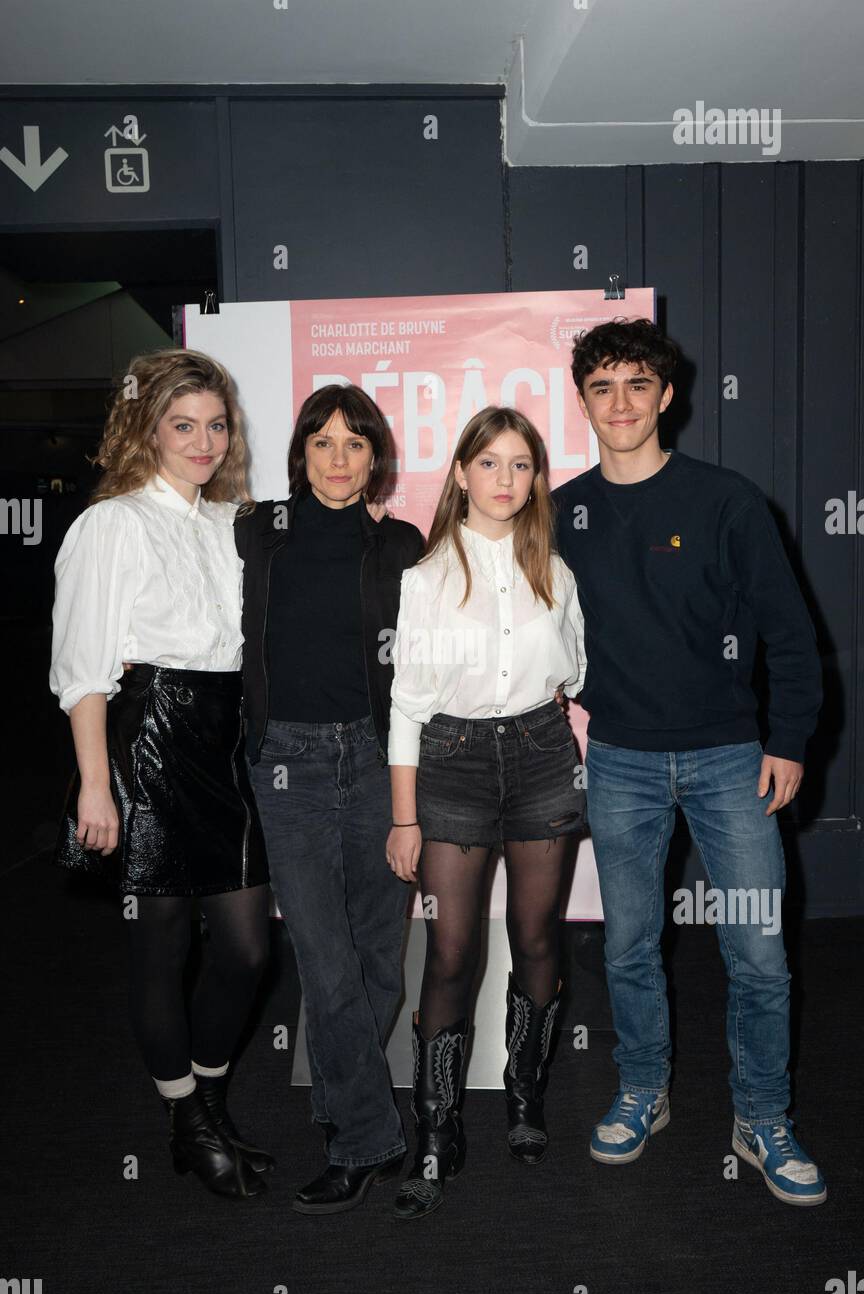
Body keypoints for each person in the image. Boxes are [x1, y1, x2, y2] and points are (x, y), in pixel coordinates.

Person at [553, 317, 826, 1206]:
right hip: (622, 764)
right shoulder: (562, 513)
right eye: (603, 387)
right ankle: (643, 1091)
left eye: (638, 385)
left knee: (757, 950)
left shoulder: (728, 502)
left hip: (731, 764)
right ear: (583, 401)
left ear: (667, 396)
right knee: (629, 946)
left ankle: (763, 1115)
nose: (621, 403)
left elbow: (790, 634)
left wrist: (788, 739)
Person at [50, 348, 273, 1200]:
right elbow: (84, 671)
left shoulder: (230, 522)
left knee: (249, 948)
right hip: (144, 741)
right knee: (161, 947)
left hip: (224, 744)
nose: (204, 441)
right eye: (184, 425)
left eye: (216, 425)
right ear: (147, 427)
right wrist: (96, 786)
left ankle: (207, 1102)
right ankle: (184, 1120)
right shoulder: (110, 525)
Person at [386, 405, 586, 1221]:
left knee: (539, 937)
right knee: (451, 951)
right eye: (490, 463)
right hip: (452, 767)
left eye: (521, 465)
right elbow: (406, 705)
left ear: (535, 478)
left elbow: (573, 669)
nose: (506, 480)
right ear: (462, 473)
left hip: (543, 755)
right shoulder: (427, 578)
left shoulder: (556, 572)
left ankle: (525, 1097)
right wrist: (405, 819)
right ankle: (436, 1129)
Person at [235, 383, 424, 1215]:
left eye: (356, 444)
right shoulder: (253, 536)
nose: (340, 460)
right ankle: (367, 1140)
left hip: (381, 761)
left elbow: (426, 664)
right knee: (324, 956)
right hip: (288, 766)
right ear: (301, 452)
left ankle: (339, 1105)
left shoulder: (405, 546)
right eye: (324, 442)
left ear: (375, 456)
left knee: (381, 957)